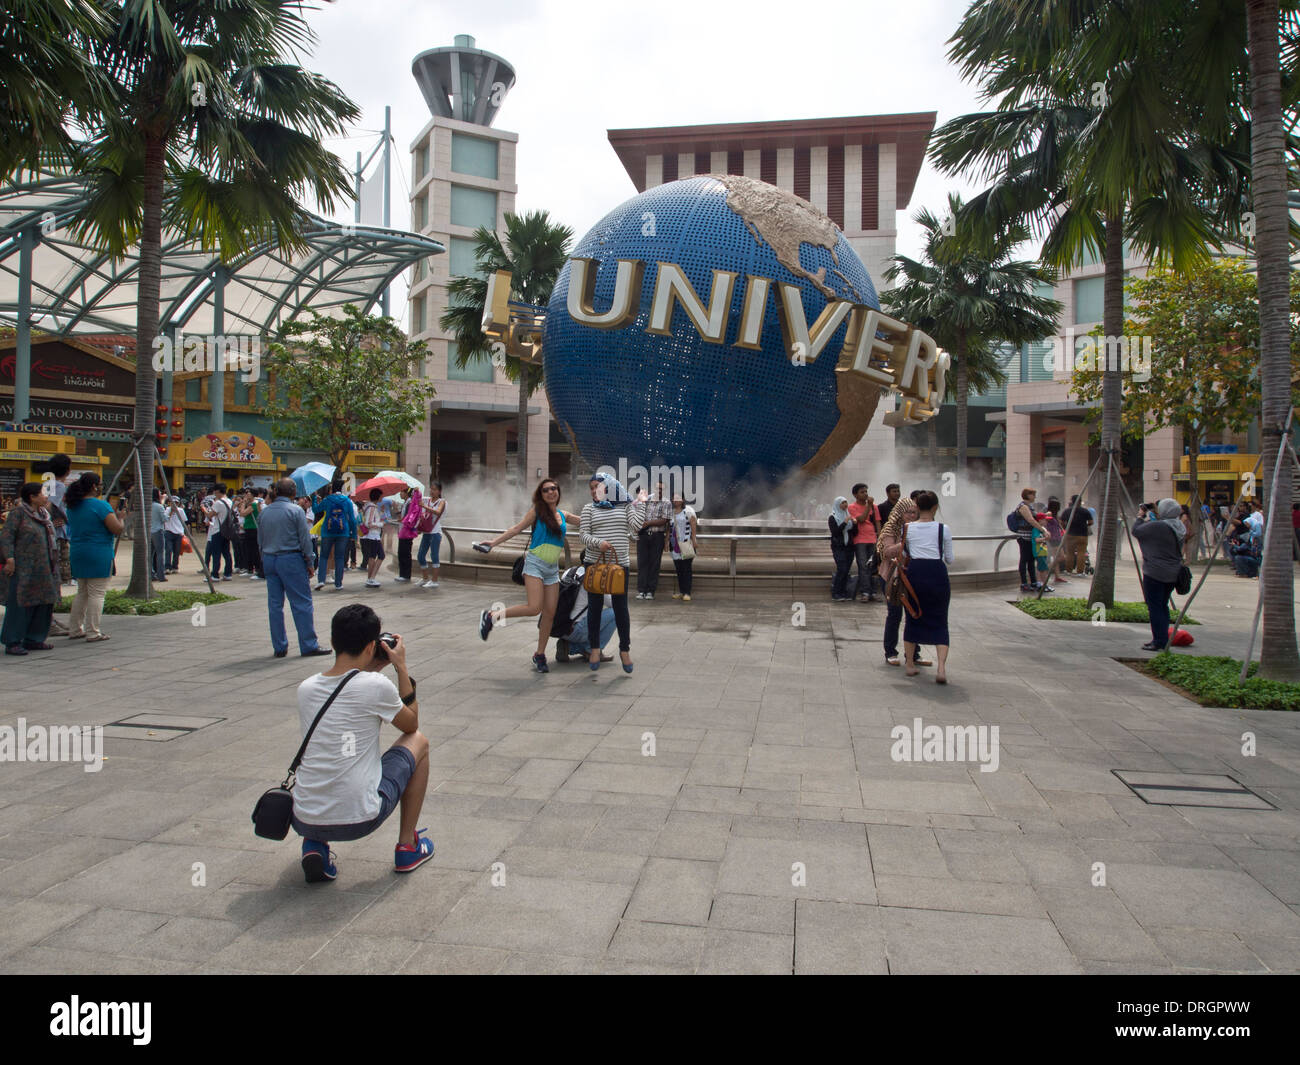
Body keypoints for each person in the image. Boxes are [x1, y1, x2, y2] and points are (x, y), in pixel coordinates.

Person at [291, 604, 432, 882]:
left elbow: (347, 690)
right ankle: (408, 846)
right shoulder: (376, 686)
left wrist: (368, 666)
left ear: (332, 641)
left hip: (304, 816)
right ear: (372, 646)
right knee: (419, 742)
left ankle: (314, 845)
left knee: (324, 757)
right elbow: (411, 723)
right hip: (358, 818)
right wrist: (401, 667)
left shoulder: (305, 689)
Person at [477, 478, 582, 674]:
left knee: (549, 613)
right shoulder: (537, 512)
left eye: (554, 489)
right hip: (534, 564)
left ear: (558, 492)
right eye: (546, 490)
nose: (551, 492)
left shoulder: (563, 514)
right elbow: (516, 529)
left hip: (551, 569)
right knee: (534, 608)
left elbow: (587, 520)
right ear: (541, 494)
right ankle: (492, 616)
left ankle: (540, 654)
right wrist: (493, 543)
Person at [259, 478, 331, 659]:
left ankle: (279, 646)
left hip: (269, 558)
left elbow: (260, 540)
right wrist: (310, 561)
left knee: (275, 605)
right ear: (293, 492)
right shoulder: (296, 511)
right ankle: (308, 645)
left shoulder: (265, 512)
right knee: (301, 603)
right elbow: (305, 540)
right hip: (290, 558)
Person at [579, 471, 644, 673]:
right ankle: (595, 649)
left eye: (597, 487)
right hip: (594, 564)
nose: (593, 491)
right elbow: (583, 535)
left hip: (619, 566)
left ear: (608, 487)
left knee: (621, 608)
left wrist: (640, 502)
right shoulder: (588, 509)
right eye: (591, 488)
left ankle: (625, 650)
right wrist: (599, 543)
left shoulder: (625, 505)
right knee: (595, 607)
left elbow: (636, 526)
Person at [1, 482, 63, 656]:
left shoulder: (45, 514)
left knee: (44, 603)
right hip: (24, 568)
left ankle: (34, 639)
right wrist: (10, 558)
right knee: (19, 604)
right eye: (43, 494)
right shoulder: (18, 514)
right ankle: (13, 641)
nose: (46, 496)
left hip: (45, 568)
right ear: (32, 497)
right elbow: (6, 537)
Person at [63, 473, 123, 643]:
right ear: (94, 486)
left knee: (82, 592)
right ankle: (93, 632)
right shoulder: (101, 506)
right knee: (97, 593)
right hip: (98, 551)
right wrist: (122, 519)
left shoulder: (73, 505)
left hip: (78, 551)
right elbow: (117, 529)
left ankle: (75, 629)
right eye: (100, 484)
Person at [902, 490, 952, 684]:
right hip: (937, 574)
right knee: (940, 619)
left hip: (914, 573)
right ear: (935, 507)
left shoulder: (907, 528)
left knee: (912, 617)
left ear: (917, 507)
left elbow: (905, 551)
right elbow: (950, 558)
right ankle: (941, 668)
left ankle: (909, 666)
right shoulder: (943, 529)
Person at [877, 491, 928, 670]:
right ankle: (890, 651)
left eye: (915, 513)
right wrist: (906, 541)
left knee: (913, 615)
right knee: (895, 614)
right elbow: (886, 551)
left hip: (912, 576)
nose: (912, 516)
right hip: (893, 578)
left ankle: (914, 653)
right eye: (908, 512)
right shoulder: (891, 529)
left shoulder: (919, 528)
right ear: (900, 513)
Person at [1133, 498, 1186, 652]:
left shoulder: (1159, 526)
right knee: (1162, 606)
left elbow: (1137, 531)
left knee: (1155, 607)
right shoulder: (1178, 525)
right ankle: (1162, 638)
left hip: (1155, 572)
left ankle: (1158, 641)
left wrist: (1140, 515)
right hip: (1173, 572)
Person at [548, 565, 616, 663]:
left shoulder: (570, 571)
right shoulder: (596, 579)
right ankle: (590, 650)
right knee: (616, 614)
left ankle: (568, 646)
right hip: (577, 630)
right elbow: (612, 604)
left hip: (560, 627)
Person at [313, 480, 357, 591]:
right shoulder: (347, 501)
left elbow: (315, 510)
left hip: (327, 531)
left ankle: (321, 580)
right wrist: (354, 534)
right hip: (343, 532)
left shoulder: (327, 500)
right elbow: (352, 519)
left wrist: (315, 499)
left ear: (332, 489)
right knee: (339, 557)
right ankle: (338, 583)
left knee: (324, 556)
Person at [635, 481, 672, 600]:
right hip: (643, 535)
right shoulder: (646, 499)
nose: (659, 491)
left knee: (654, 563)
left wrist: (648, 523)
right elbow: (638, 513)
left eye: (661, 489)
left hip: (658, 536)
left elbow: (664, 520)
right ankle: (641, 590)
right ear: (654, 489)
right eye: (657, 488)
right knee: (642, 562)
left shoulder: (666, 502)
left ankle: (651, 590)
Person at [848, 482, 881, 602]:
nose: (865, 494)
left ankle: (873, 591)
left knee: (872, 567)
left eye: (866, 491)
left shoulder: (874, 507)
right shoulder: (852, 507)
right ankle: (865, 592)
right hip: (860, 540)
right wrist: (869, 506)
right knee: (863, 566)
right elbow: (861, 519)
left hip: (872, 539)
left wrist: (879, 538)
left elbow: (877, 522)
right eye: (862, 492)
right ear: (855, 495)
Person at [1012, 488, 1049, 593]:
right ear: (1027, 495)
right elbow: (1031, 520)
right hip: (1024, 537)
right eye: (1033, 494)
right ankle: (1024, 583)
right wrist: (1042, 530)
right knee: (1024, 559)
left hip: (1030, 537)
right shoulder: (1023, 506)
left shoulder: (1029, 506)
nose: (1035, 497)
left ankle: (1033, 581)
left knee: (1031, 560)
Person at [668, 493, 698, 602]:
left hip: (686, 544)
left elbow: (693, 524)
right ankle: (681, 591)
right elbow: (669, 528)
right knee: (679, 569)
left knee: (686, 569)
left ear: (683, 500)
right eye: (674, 498)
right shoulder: (671, 513)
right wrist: (666, 541)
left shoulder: (688, 510)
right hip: (675, 546)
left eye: (678, 498)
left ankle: (687, 592)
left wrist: (694, 540)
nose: (676, 500)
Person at [416, 481, 445, 589]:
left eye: (435, 489)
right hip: (427, 532)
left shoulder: (442, 501)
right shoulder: (426, 500)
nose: (432, 491)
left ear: (439, 491)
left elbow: (438, 512)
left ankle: (435, 580)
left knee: (434, 555)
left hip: (436, 532)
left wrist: (425, 506)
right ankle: (425, 578)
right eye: (431, 489)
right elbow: (417, 499)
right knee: (420, 555)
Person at [202, 485, 235, 580]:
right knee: (226, 553)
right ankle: (228, 574)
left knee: (216, 553)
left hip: (217, 530)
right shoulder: (229, 501)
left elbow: (210, 515)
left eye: (215, 492)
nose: (214, 494)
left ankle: (215, 574)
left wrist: (204, 509)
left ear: (218, 492)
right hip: (227, 530)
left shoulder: (218, 503)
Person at [828, 496, 855, 602]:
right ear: (837, 504)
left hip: (849, 547)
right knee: (842, 569)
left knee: (846, 570)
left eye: (846, 502)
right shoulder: (833, 517)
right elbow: (835, 532)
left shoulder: (848, 515)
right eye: (842, 503)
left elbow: (853, 532)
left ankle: (843, 592)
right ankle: (836, 592)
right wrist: (844, 522)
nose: (845, 505)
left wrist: (854, 524)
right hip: (838, 547)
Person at [361, 488, 387, 588]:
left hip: (372, 536)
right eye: (381, 496)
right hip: (373, 536)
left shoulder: (371, 507)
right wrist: (381, 524)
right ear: (378, 496)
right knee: (381, 555)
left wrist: (382, 513)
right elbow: (369, 523)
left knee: (372, 556)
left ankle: (370, 578)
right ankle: (372, 578)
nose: (382, 497)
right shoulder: (372, 507)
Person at [1062, 494, 1093, 575]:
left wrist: (1065, 527)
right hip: (1082, 535)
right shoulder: (1085, 511)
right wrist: (1085, 525)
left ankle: (1068, 571)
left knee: (1070, 553)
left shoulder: (1067, 511)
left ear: (1072, 501)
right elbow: (1091, 522)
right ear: (1080, 501)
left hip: (1070, 535)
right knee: (1081, 553)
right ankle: (1080, 572)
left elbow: (1061, 521)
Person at [395, 485, 420, 583]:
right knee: (401, 552)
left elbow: (409, 517)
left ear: (406, 493)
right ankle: (402, 574)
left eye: (401, 492)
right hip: (402, 531)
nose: (400, 494)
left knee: (405, 553)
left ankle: (406, 575)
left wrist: (402, 519)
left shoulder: (410, 503)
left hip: (407, 532)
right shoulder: (405, 503)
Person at [238, 488, 264, 580]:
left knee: (254, 550)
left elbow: (242, 513)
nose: (246, 495)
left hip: (253, 529)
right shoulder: (253, 503)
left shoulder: (254, 504)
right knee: (248, 549)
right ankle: (249, 568)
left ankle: (255, 569)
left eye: (248, 493)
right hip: (248, 528)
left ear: (253, 495)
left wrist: (243, 504)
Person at [148, 487, 168, 582]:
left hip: (149, 532)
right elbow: (164, 519)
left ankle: (151, 574)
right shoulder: (159, 506)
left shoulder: (147, 505)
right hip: (158, 531)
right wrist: (170, 512)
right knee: (160, 554)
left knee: (150, 554)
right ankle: (161, 575)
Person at [163, 494, 186, 573]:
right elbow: (165, 519)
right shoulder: (167, 509)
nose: (174, 504)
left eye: (176, 503)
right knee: (168, 550)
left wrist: (183, 533)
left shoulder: (180, 510)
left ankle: (175, 566)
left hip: (178, 533)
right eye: (172, 502)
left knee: (177, 551)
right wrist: (171, 512)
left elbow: (184, 521)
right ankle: (167, 566)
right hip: (169, 532)